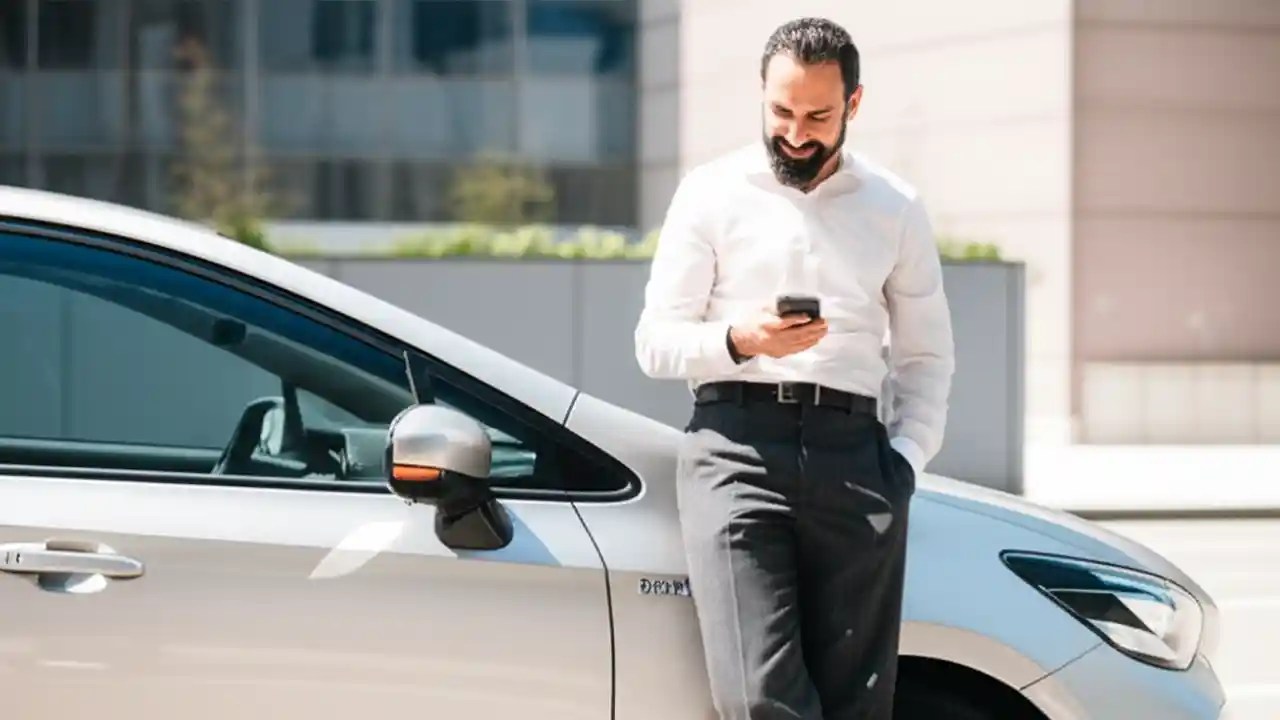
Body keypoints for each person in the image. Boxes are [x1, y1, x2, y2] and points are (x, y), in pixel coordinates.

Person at [633, 16, 955, 720]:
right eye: (781, 111)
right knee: (759, 698)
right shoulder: (709, 192)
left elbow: (926, 355)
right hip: (735, 451)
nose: (797, 133)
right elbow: (655, 341)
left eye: (818, 115)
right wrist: (741, 341)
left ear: (854, 105)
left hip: (856, 456)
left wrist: (902, 462)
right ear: (761, 95)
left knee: (856, 706)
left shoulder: (894, 207)